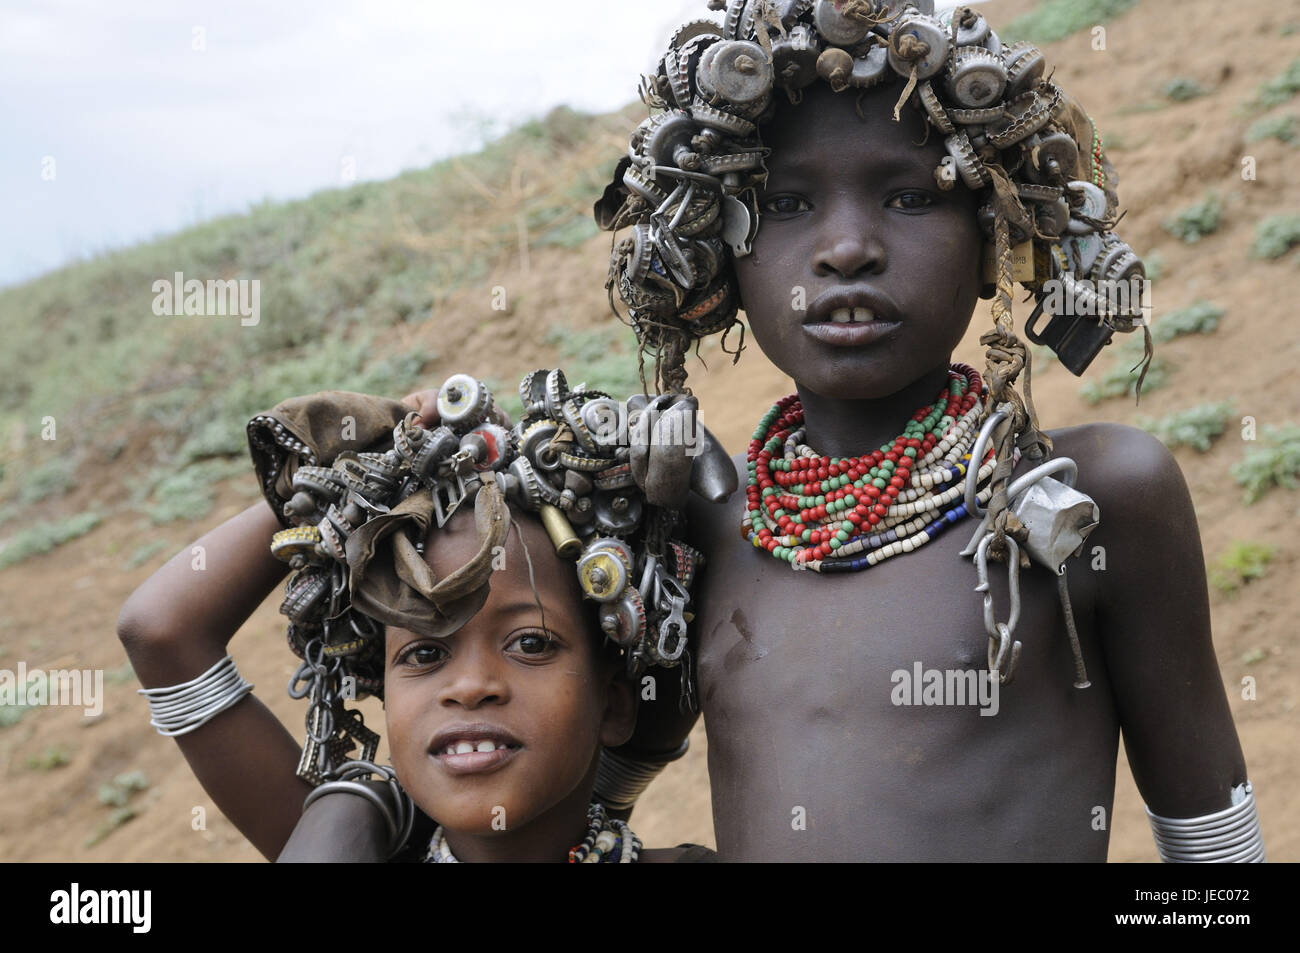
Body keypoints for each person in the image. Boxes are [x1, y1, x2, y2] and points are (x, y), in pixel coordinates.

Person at [583, 0, 1264, 861]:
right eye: (788, 204)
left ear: (997, 236)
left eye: (910, 196)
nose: (847, 249)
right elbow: (576, 808)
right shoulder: (709, 530)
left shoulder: (1088, 502)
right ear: (717, 258)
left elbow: (1220, 874)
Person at [117, 370, 720, 862]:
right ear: (383, 697)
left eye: (531, 644)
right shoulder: (341, 845)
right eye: (425, 652)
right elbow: (159, 630)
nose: (470, 686)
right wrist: (355, 478)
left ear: (613, 702)